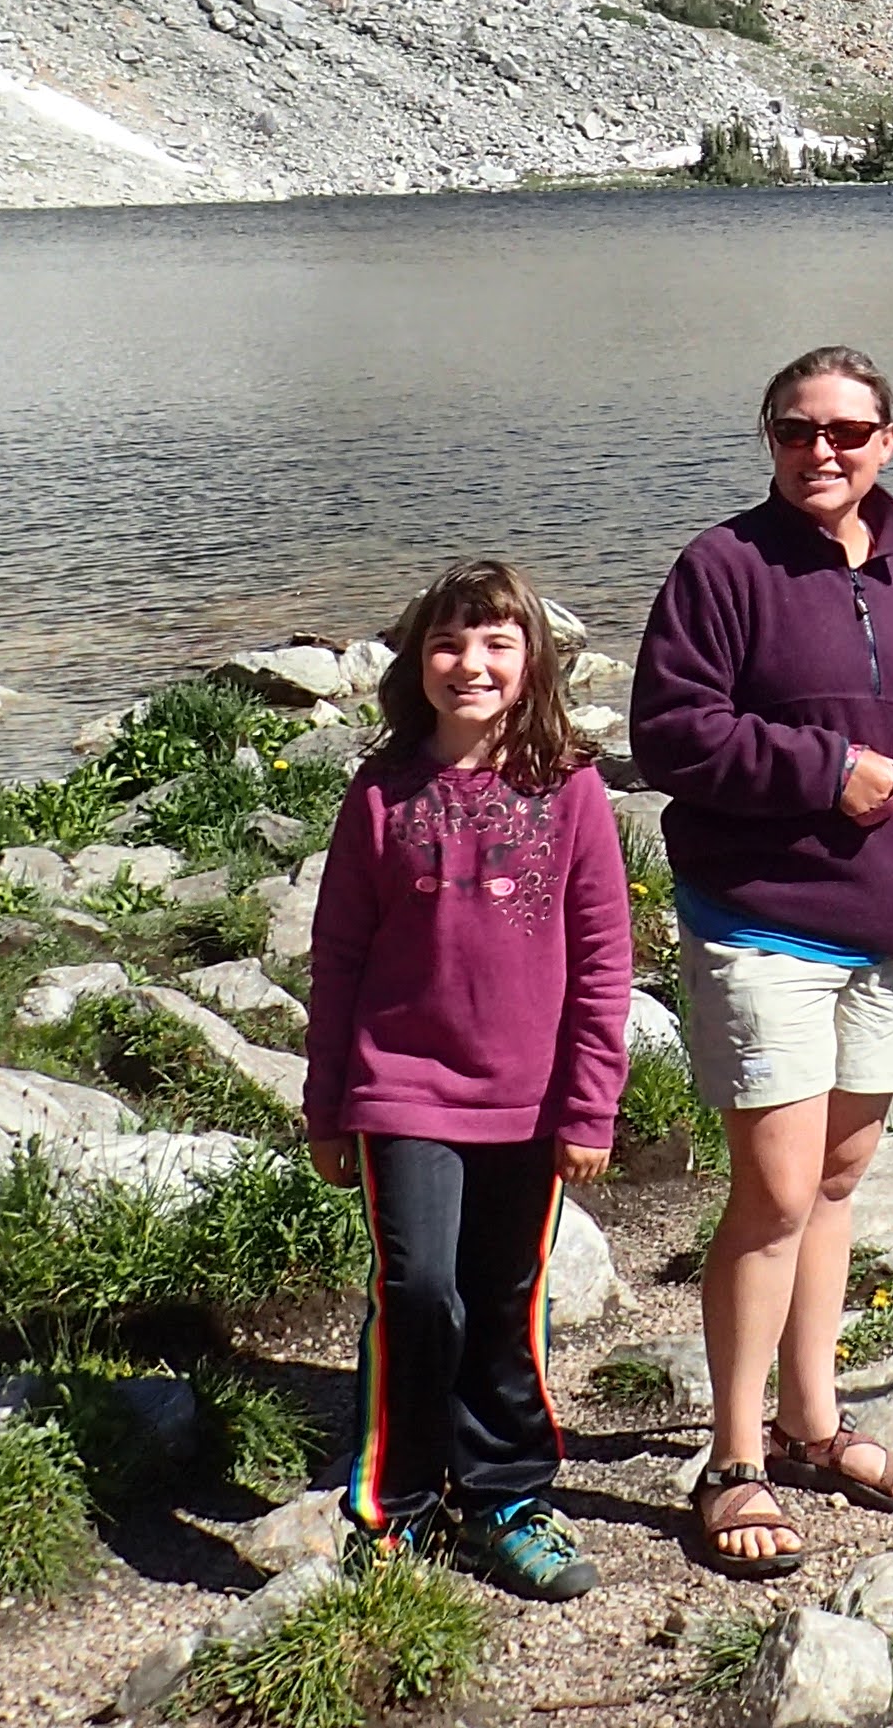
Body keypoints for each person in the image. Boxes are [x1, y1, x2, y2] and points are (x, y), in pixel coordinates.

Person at [633, 345, 893, 1578]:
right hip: (763, 917)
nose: (822, 451)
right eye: (798, 431)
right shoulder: (720, 569)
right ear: (770, 440)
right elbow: (675, 735)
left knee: (838, 1183)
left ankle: (811, 1423)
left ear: (889, 441)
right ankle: (734, 1462)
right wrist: (820, 772)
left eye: (848, 431)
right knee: (779, 1188)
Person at [302, 558, 632, 1603]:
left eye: (495, 643)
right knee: (418, 1292)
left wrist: (590, 1104)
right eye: (448, 643)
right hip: (399, 1087)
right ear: (417, 663)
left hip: (529, 1100)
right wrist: (326, 1107)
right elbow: (340, 955)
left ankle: (504, 1498)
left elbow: (604, 959)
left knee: (503, 1296)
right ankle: (391, 1509)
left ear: (532, 659)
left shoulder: (571, 788)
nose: (470, 664)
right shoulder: (381, 792)